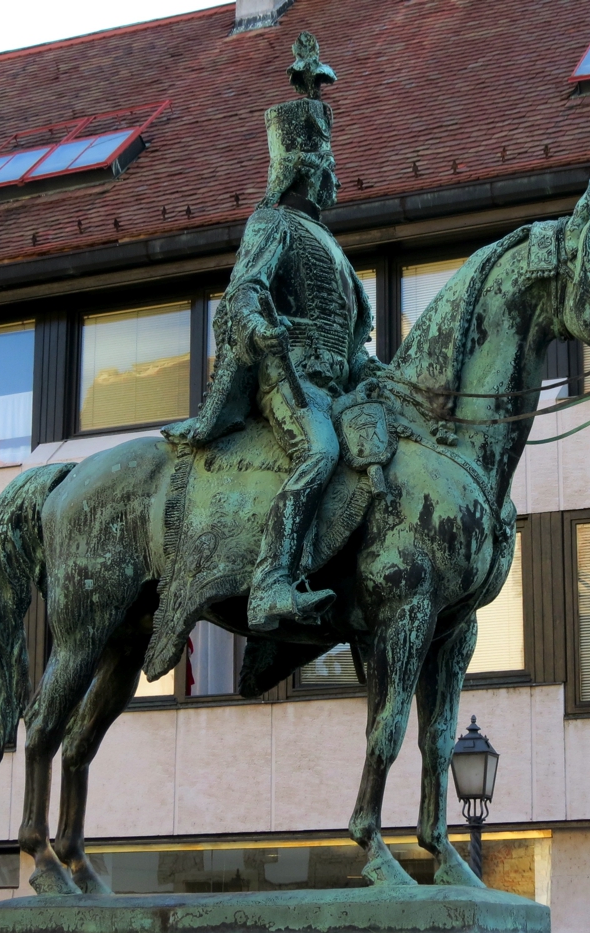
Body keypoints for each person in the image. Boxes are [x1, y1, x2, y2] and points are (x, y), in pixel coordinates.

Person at [164, 32, 379, 631]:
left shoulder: (333, 247)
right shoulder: (272, 223)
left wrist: (374, 370)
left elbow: (352, 340)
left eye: (330, 166)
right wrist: (260, 325)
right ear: (298, 170)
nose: (332, 177)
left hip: (335, 384)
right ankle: (271, 582)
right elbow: (245, 290)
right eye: (322, 167)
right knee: (320, 451)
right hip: (288, 379)